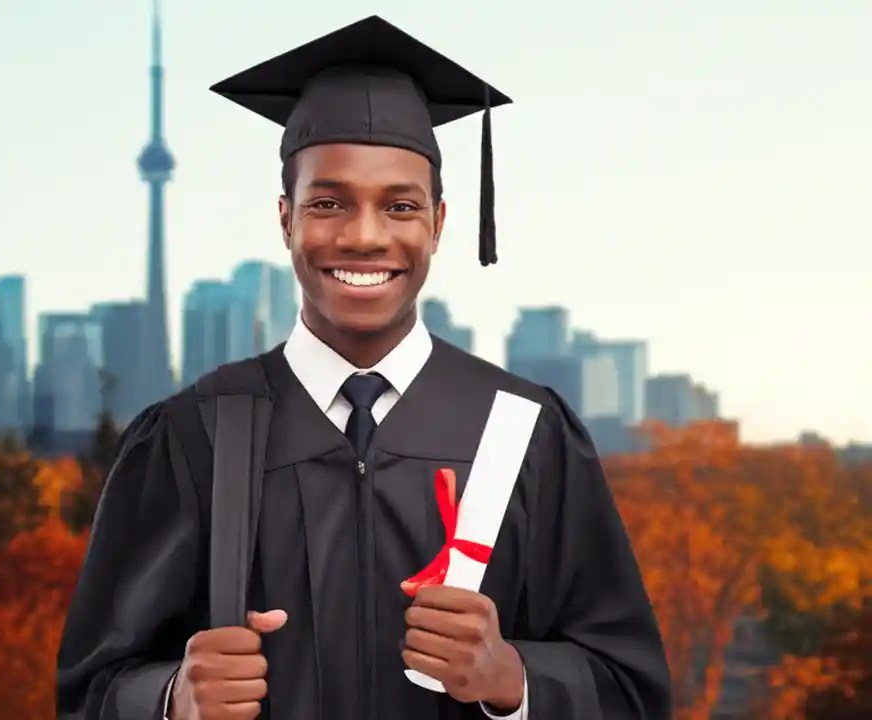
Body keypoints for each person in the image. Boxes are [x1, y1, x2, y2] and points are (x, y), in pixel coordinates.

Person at [57, 15, 671, 720]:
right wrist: (171, 700)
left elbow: (632, 691)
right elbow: (91, 691)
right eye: (328, 203)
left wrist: (516, 681)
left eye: (400, 206)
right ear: (285, 218)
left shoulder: (526, 434)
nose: (364, 236)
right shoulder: (192, 435)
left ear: (438, 223)